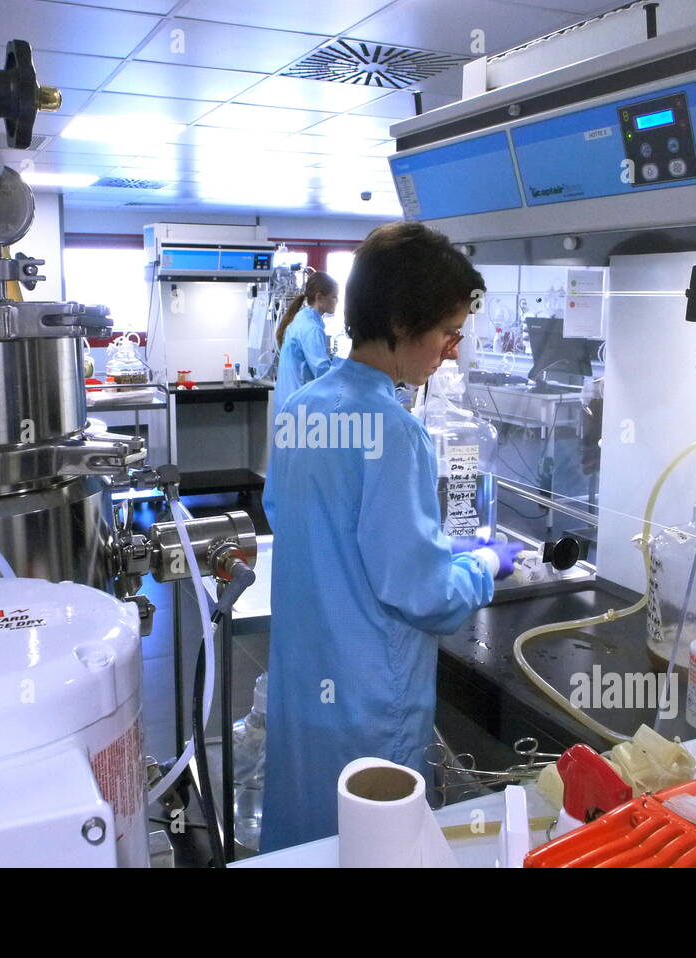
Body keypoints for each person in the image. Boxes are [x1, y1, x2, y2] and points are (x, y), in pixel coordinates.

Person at [260, 222, 523, 851]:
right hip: (369, 698)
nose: (450, 351)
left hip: (305, 680)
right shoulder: (395, 430)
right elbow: (423, 594)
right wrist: (483, 563)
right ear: (403, 325)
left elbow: (298, 515)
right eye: (447, 333)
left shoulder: (302, 408)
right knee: (376, 846)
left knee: (311, 839)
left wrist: (427, 542)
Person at [270, 270, 339, 416]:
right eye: (334, 296)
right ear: (320, 297)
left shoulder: (302, 319)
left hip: (288, 404)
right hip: (299, 408)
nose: (337, 301)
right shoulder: (311, 328)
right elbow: (322, 371)